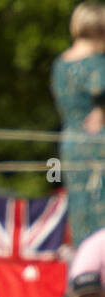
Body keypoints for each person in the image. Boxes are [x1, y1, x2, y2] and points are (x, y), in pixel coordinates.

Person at [51, 2, 105, 244]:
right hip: (98, 145)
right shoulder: (97, 63)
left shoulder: (60, 64)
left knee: (81, 215)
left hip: (71, 143)